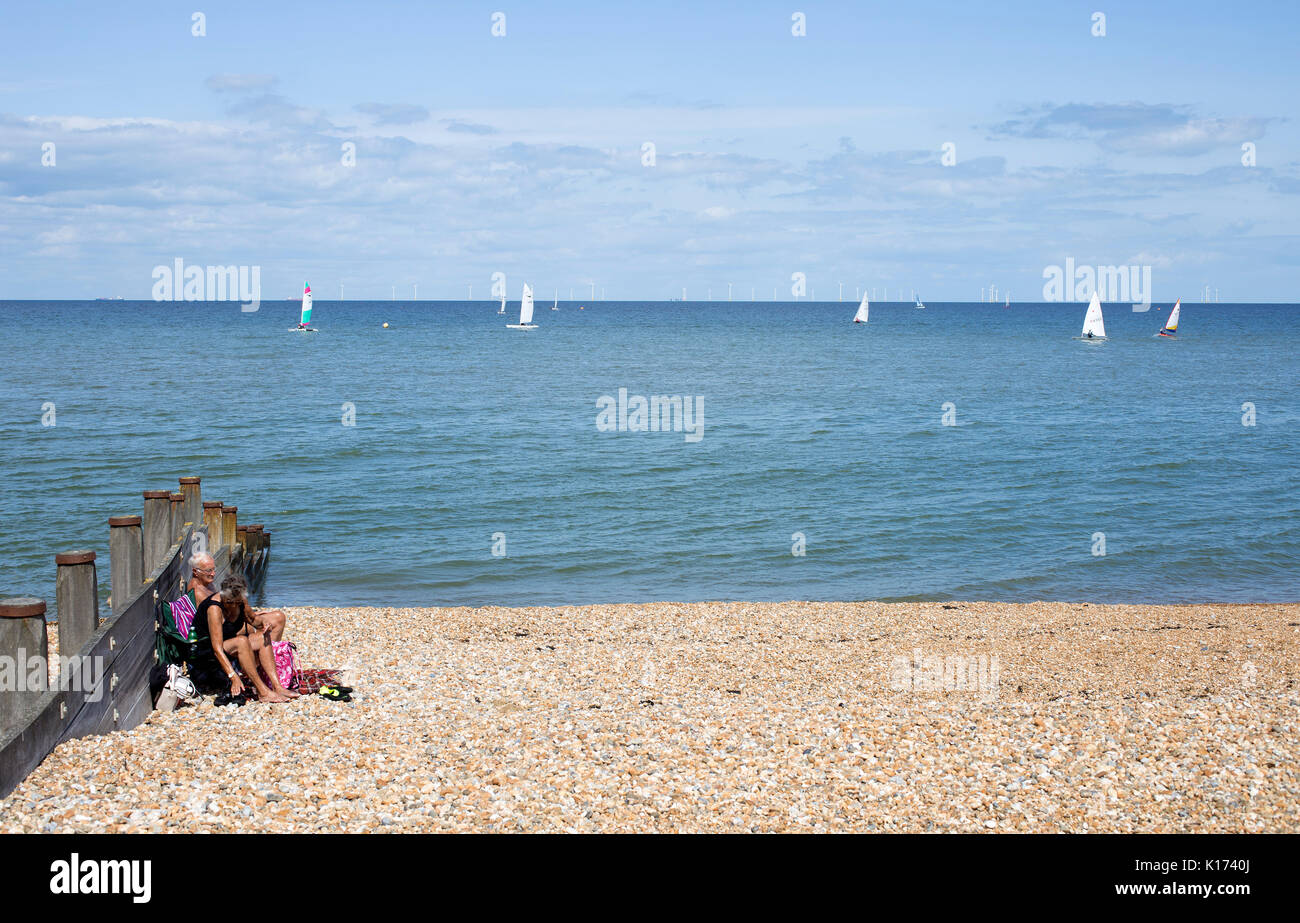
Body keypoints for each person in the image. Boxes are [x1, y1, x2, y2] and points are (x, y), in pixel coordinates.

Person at [199, 574, 298, 703]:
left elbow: (253, 620)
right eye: (229, 602)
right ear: (222, 595)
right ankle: (263, 692)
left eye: (237, 602)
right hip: (207, 651)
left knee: (262, 637)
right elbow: (217, 648)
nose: (233, 606)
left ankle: (277, 687)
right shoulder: (214, 609)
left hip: (229, 642)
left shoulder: (240, 600)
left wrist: (264, 624)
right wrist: (233, 676)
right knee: (242, 641)